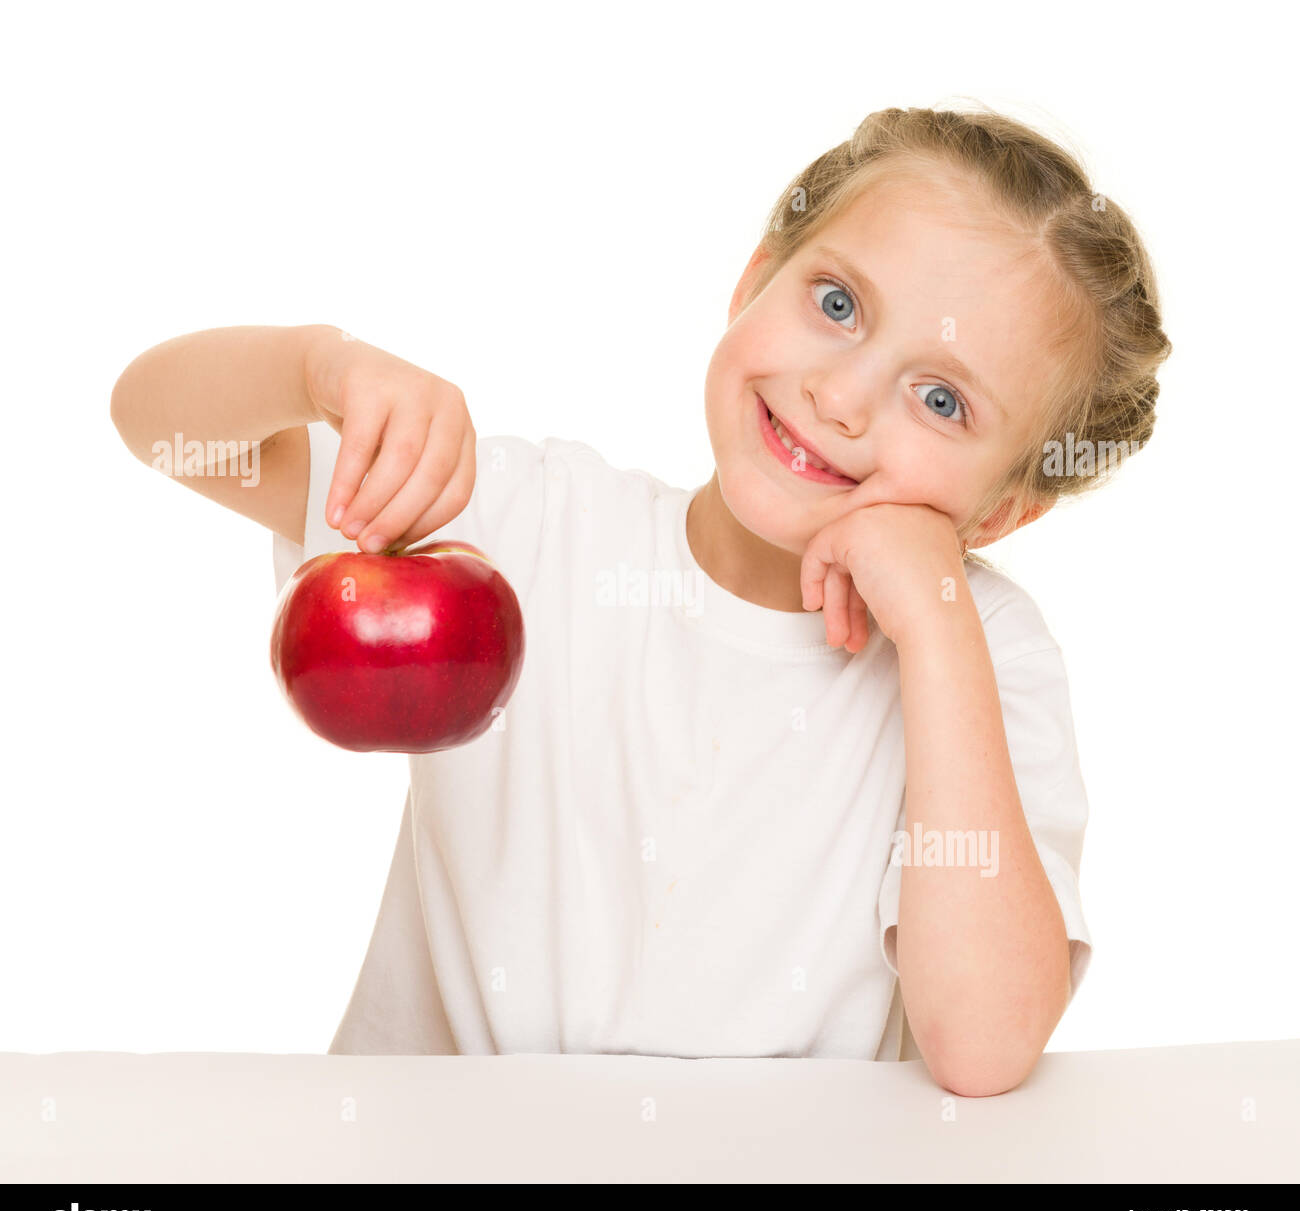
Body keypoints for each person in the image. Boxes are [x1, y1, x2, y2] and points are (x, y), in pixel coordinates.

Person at [110, 104, 1172, 1096]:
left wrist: (936, 628)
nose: (839, 399)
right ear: (754, 280)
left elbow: (983, 1046)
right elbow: (152, 423)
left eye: (941, 400)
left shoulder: (987, 653)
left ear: (1000, 513)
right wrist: (316, 367)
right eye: (837, 305)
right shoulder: (520, 521)